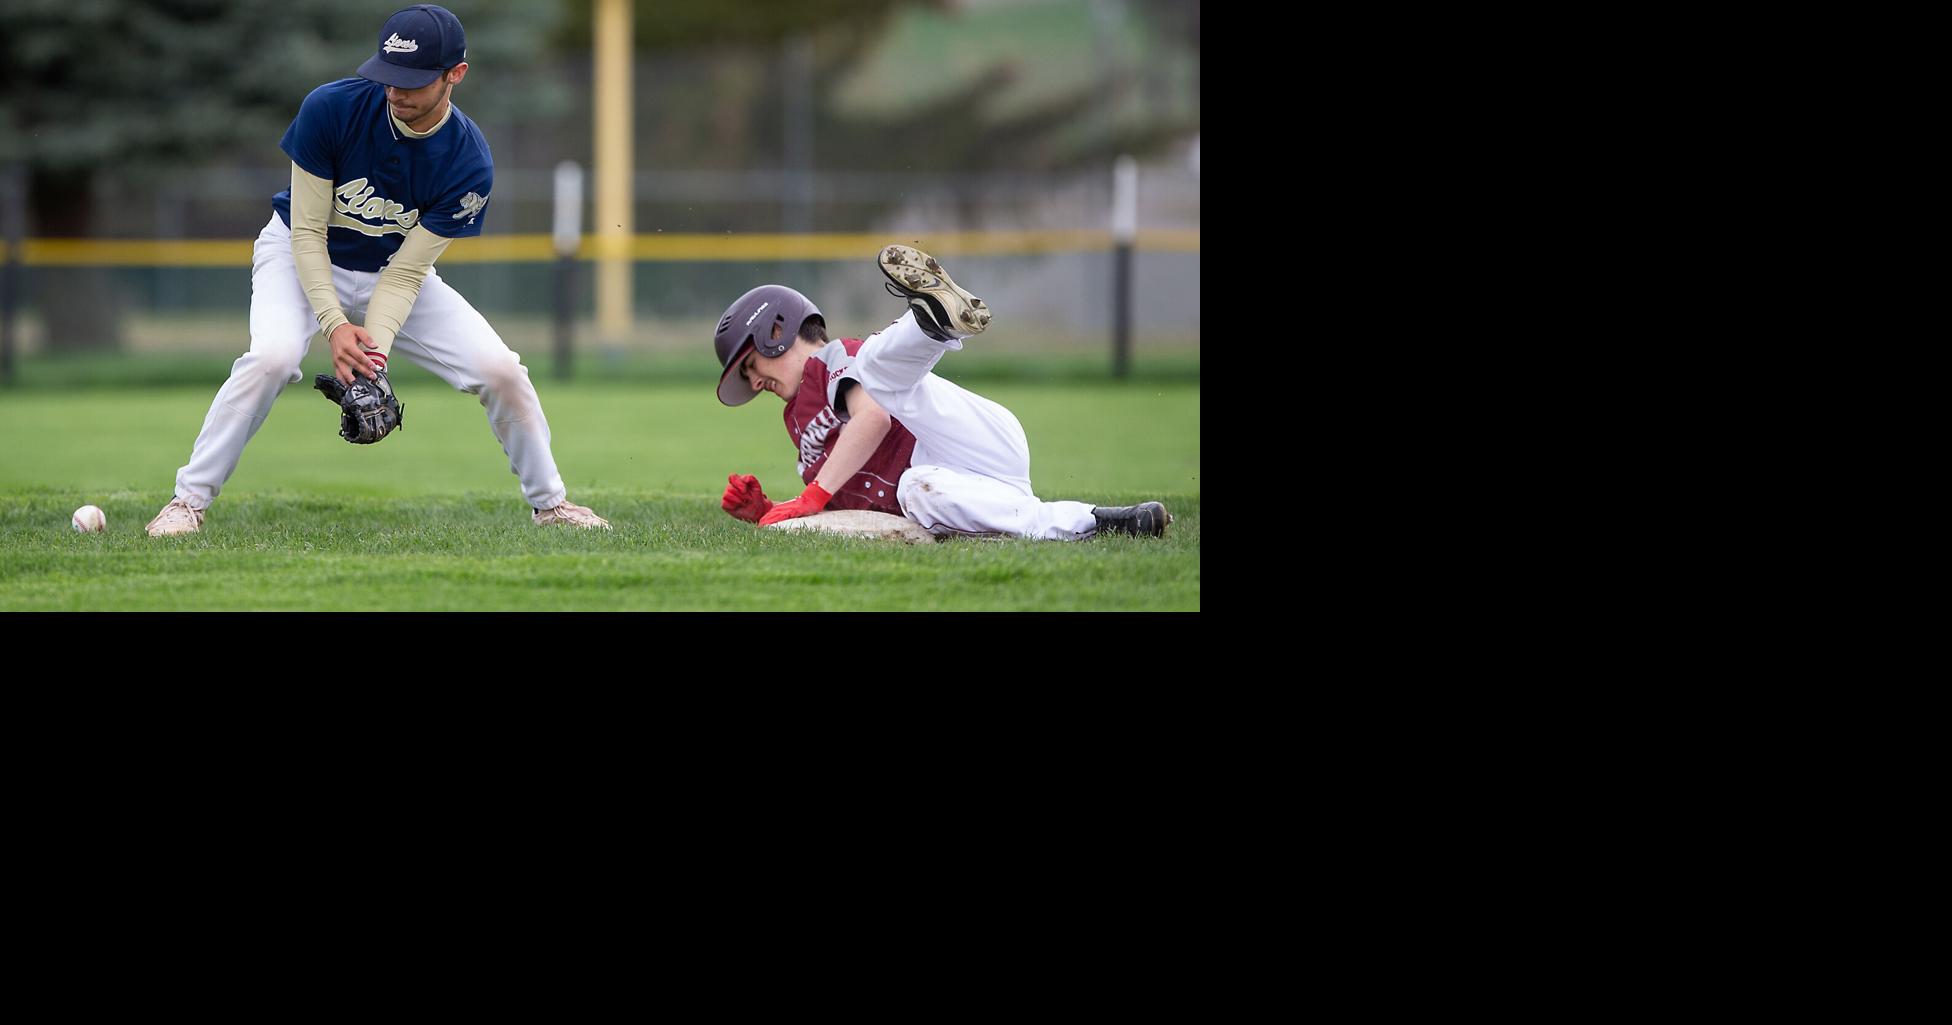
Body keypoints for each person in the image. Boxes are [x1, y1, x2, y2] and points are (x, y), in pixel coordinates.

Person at [145, 4, 608, 537]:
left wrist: (372, 357)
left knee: (502, 371)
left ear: (455, 74)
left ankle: (551, 505)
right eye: (388, 75)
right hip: (299, 254)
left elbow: (407, 275)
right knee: (270, 359)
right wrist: (335, 325)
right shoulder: (331, 109)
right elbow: (305, 233)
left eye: (412, 81)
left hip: (393, 269)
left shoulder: (468, 163)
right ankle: (187, 503)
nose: (395, 91)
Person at [712, 243, 1172, 540]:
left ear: (777, 329)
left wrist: (812, 494)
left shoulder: (829, 362)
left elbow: (872, 419)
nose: (754, 383)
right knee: (919, 490)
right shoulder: (797, 421)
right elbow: (849, 513)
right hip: (962, 488)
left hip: (965, 441)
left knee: (872, 368)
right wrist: (770, 511)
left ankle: (933, 321)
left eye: (751, 365)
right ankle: (1104, 521)